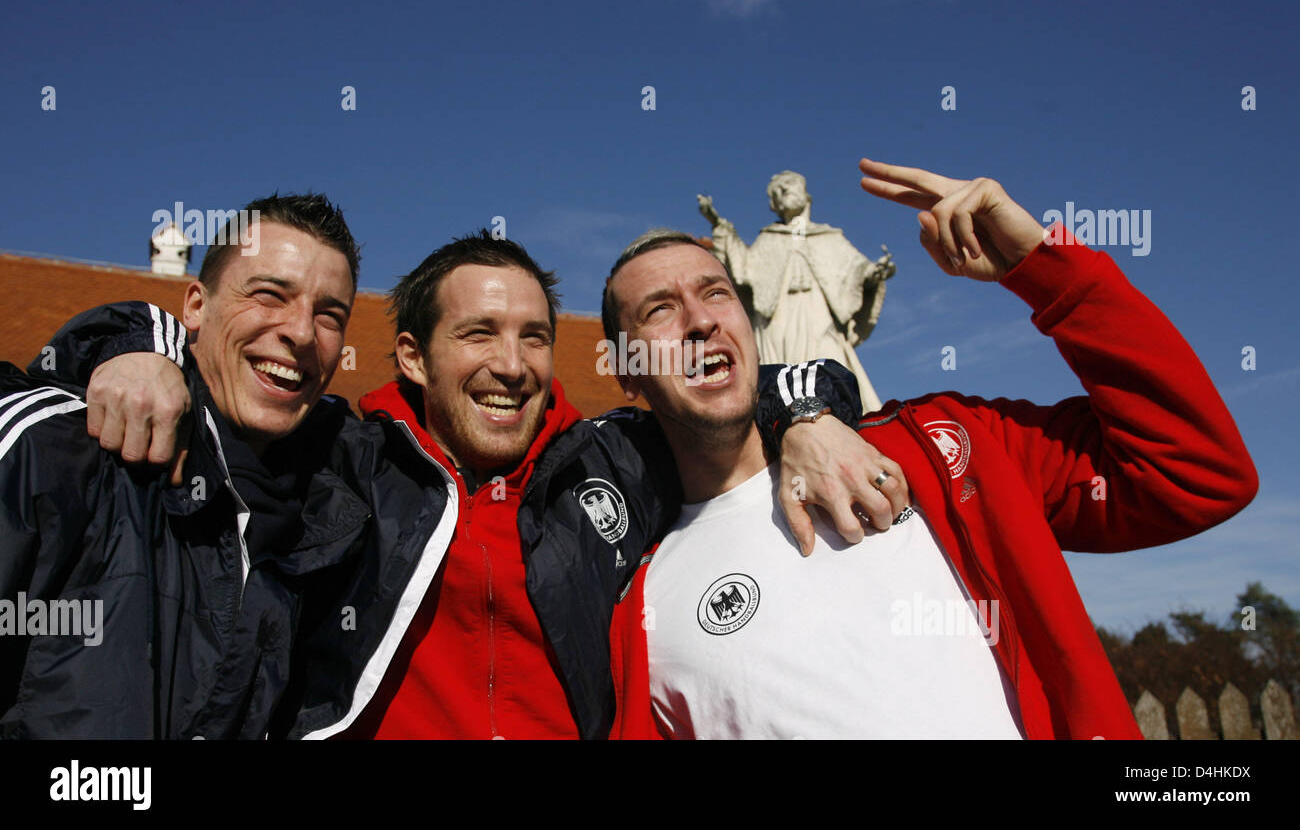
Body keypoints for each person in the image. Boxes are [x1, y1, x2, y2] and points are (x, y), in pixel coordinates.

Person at [48, 231, 904, 738]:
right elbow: (227, 374)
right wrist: (136, 341)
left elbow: (745, 384)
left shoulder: (613, 460)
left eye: (534, 337)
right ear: (416, 357)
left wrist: (806, 416)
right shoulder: (341, 453)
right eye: (480, 334)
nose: (512, 365)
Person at [603, 158, 1258, 739]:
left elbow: (1198, 473)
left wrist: (1049, 272)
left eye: (718, 292)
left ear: (748, 325)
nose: (701, 319)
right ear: (628, 369)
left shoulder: (947, 447)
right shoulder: (641, 607)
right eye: (659, 309)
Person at [0, 193, 371, 737]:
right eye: (269, 294)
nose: (300, 333)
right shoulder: (66, 448)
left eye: (329, 315)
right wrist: (131, 337)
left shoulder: (327, 517)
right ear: (195, 306)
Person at [700, 170, 896, 411]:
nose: (783, 191)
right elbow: (741, 269)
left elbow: (856, 269)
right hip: (776, 321)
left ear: (806, 195)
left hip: (818, 314)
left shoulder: (829, 236)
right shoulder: (769, 238)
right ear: (773, 204)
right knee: (782, 375)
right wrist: (719, 226)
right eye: (777, 191)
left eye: (789, 185)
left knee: (830, 367)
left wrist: (874, 273)